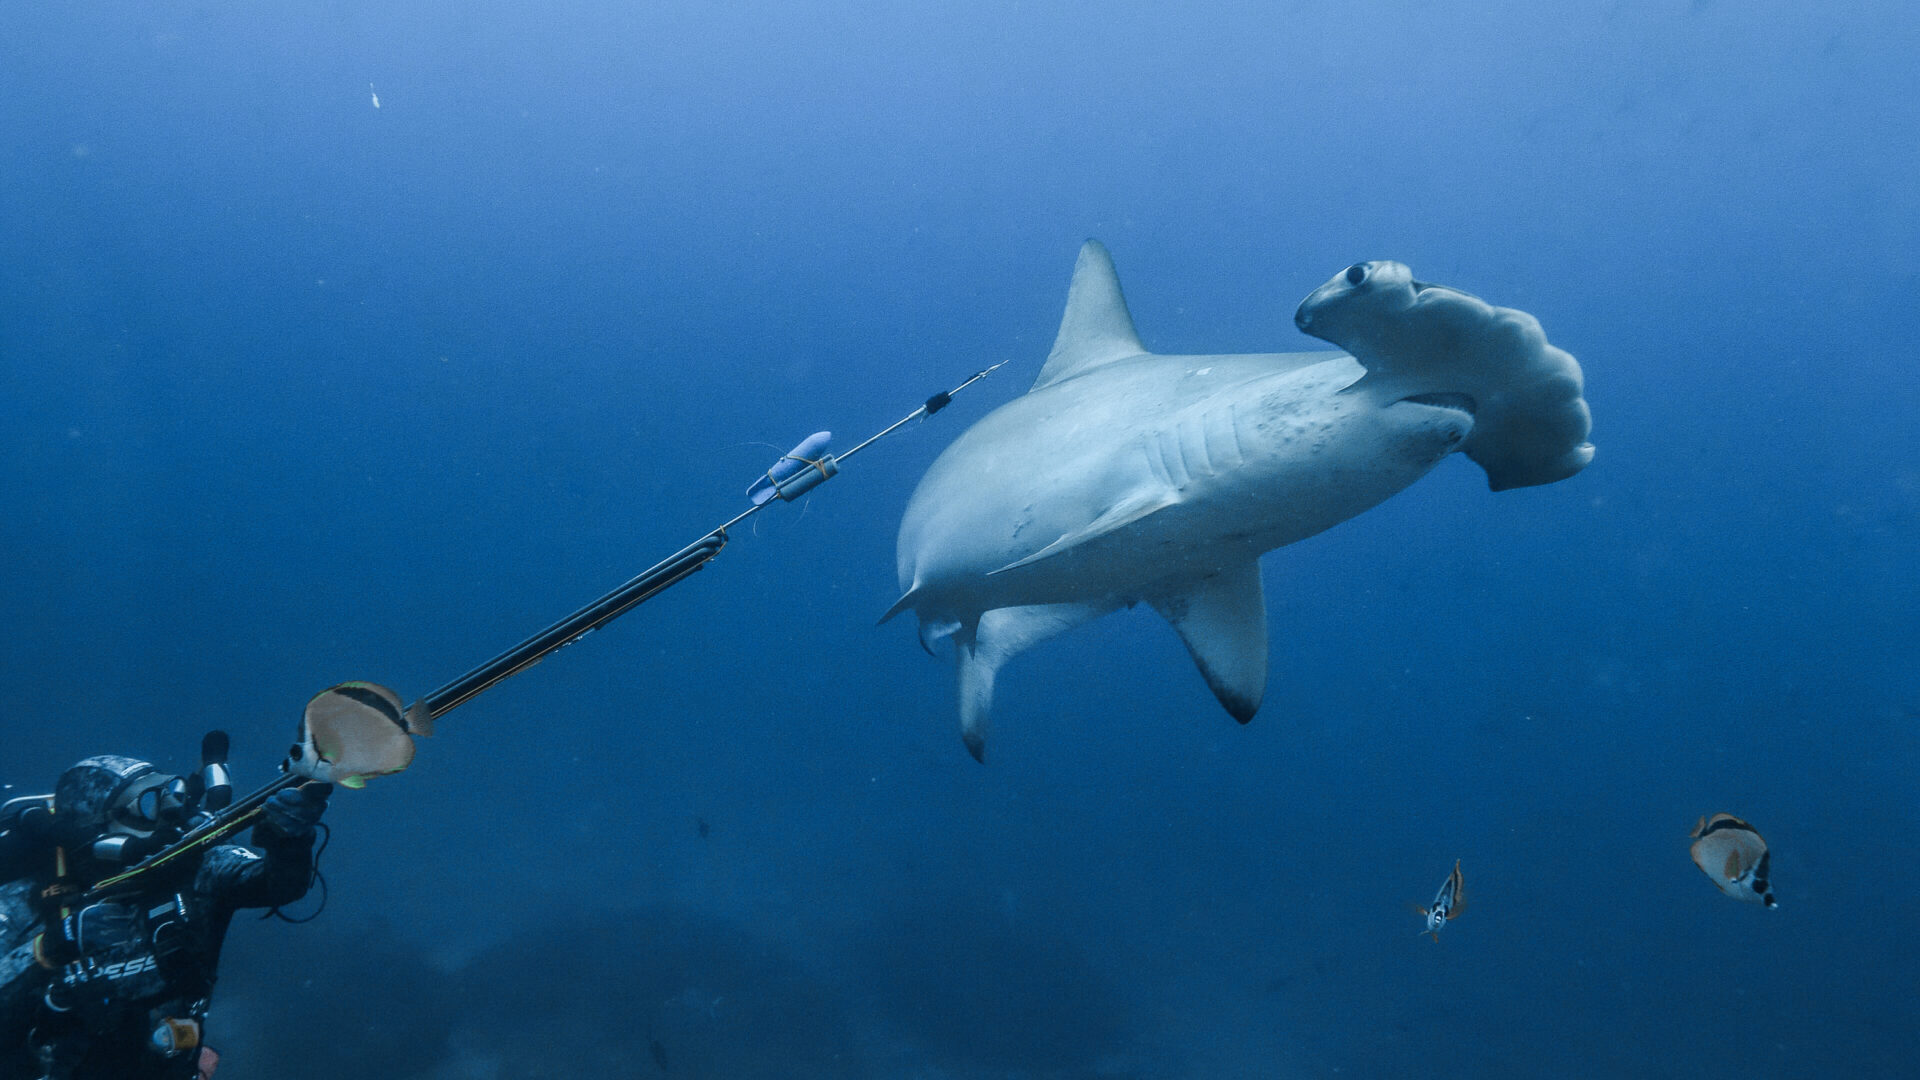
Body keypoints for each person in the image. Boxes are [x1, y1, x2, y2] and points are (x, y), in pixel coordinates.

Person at [0, 755, 330, 1079]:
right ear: (94, 825)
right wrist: (49, 947)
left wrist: (290, 840)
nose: (165, 815)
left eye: (167, 792)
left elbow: (275, 885)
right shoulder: (26, 898)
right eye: (145, 804)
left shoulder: (197, 867)